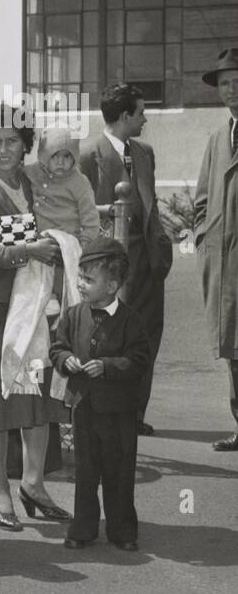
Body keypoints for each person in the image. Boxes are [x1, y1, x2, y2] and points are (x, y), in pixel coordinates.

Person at [0, 102, 72, 531]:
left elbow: (26, 236)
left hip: (32, 302)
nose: (4, 149)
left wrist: (40, 246)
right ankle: (0, 489)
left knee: (36, 395)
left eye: (12, 141)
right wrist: (28, 249)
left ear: (26, 145)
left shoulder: (30, 182)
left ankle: (34, 484)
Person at [79, 84, 173, 435]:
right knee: (108, 337)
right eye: (141, 112)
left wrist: (162, 251)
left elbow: (152, 206)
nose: (145, 118)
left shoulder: (145, 152)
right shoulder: (89, 155)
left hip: (148, 264)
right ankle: (107, 411)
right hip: (111, 267)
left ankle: (135, 414)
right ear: (123, 117)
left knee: (145, 338)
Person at [50, 240, 150, 551]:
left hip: (119, 412)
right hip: (84, 408)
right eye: (80, 277)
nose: (80, 284)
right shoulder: (73, 315)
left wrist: (106, 366)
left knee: (119, 472)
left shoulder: (130, 320)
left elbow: (139, 360)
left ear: (113, 286)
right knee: (86, 472)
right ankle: (83, 529)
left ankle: (122, 531)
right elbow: (58, 346)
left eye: (88, 280)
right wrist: (64, 359)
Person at [194, 47, 238, 451]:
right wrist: (201, 238)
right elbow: (202, 199)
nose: (232, 89)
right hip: (224, 265)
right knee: (233, 350)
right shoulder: (217, 138)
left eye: (237, 81)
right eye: (225, 83)